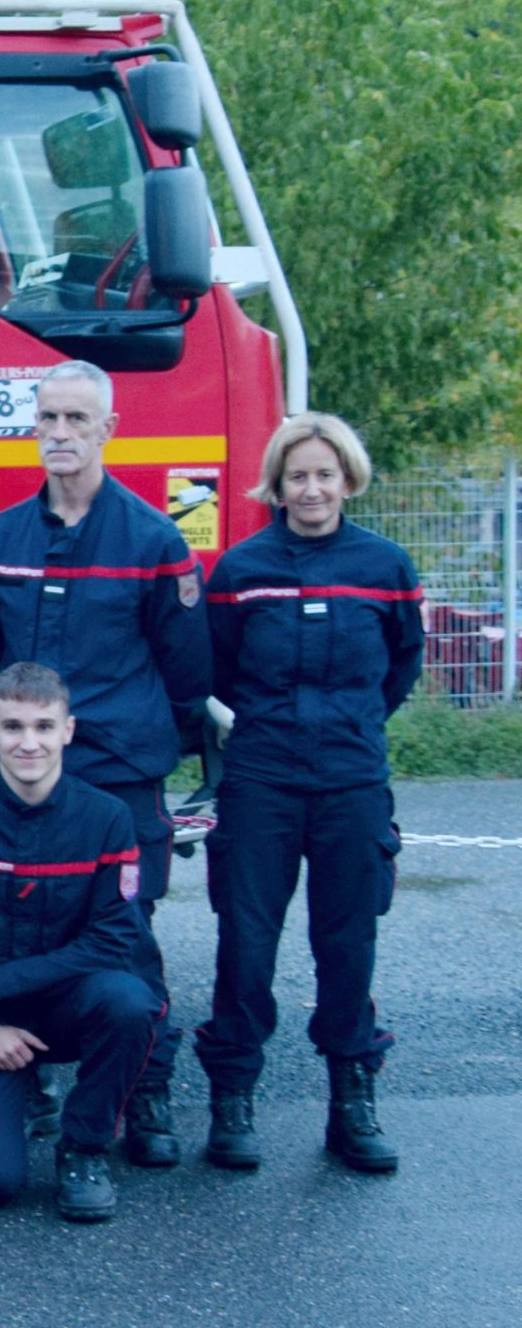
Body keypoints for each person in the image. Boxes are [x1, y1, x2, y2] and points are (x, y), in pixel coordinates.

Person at [0, 359, 207, 1167]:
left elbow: (187, 672)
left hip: (116, 773)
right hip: (30, 775)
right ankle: (29, 1084)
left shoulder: (153, 538)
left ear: (108, 429)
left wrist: (138, 740)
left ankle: (146, 1092)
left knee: (128, 936)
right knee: (16, 922)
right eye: (49, 421)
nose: (61, 435)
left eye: (77, 421)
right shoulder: (4, 538)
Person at [192, 413, 423, 1174]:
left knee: (347, 943)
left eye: (326, 474)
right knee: (247, 943)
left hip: (352, 780)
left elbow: (399, 668)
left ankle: (351, 1103)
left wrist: (347, 728)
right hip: (263, 779)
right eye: (298, 476)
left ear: (347, 478)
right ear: (278, 486)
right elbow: (219, 671)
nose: (313, 488)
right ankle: (233, 1100)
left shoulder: (386, 568)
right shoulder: (241, 570)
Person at [0, 663, 165, 1224]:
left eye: (44, 727)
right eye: (14, 727)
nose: (29, 743)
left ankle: (85, 1149)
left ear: (68, 730)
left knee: (132, 1001)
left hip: (64, 1002)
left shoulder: (108, 818)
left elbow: (113, 939)